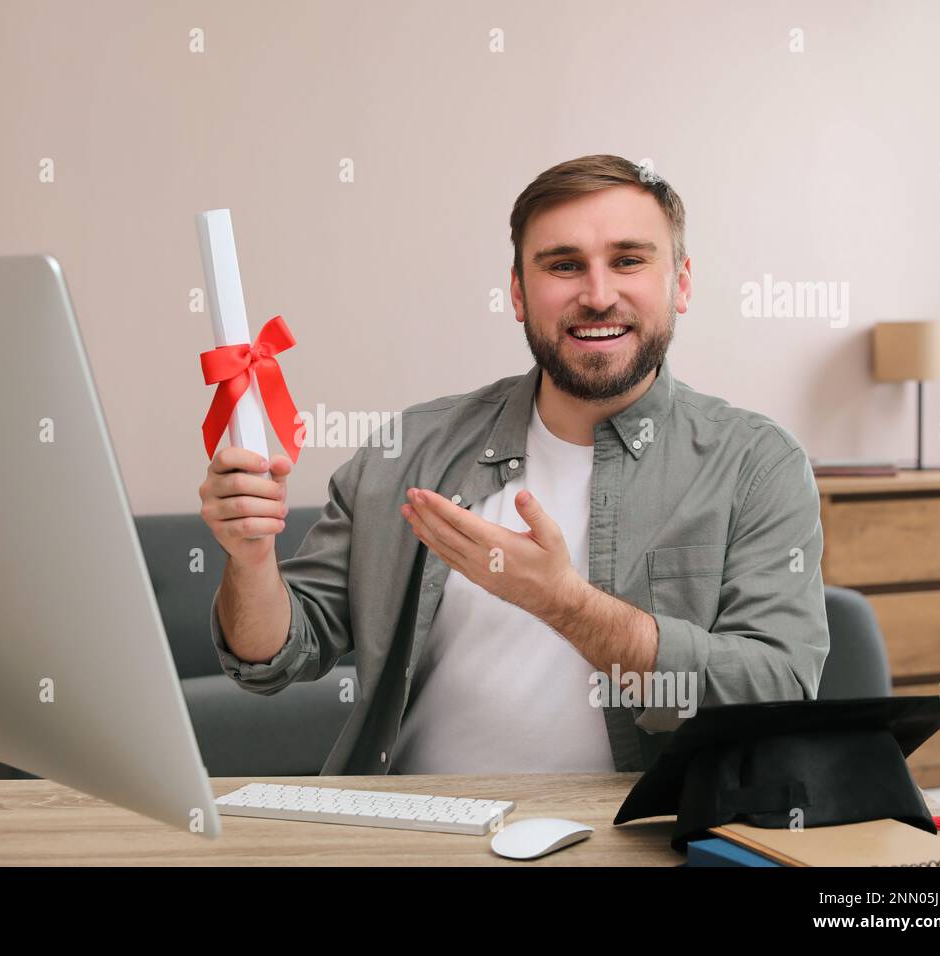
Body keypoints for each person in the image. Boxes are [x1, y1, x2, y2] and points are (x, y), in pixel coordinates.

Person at [197, 154, 830, 775]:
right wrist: (249, 559)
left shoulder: (757, 464)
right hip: (407, 835)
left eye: (629, 260)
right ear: (519, 292)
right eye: (564, 265)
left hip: (628, 842)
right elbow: (275, 657)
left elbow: (773, 693)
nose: (598, 294)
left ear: (681, 283)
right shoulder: (408, 448)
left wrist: (565, 604)